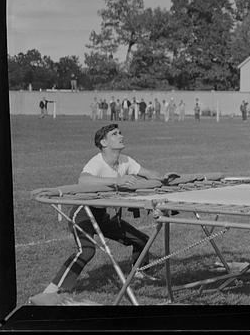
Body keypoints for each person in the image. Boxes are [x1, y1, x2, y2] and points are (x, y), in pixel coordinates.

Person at [29, 124, 172, 305]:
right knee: (87, 250)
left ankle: (140, 273)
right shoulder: (97, 161)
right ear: (104, 142)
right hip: (83, 213)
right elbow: (83, 180)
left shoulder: (126, 160)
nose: (121, 136)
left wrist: (163, 177)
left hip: (102, 216)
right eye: (115, 134)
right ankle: (49, 292)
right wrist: (117, 181)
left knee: (141, 240)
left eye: (120, 133)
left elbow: (146, 172)